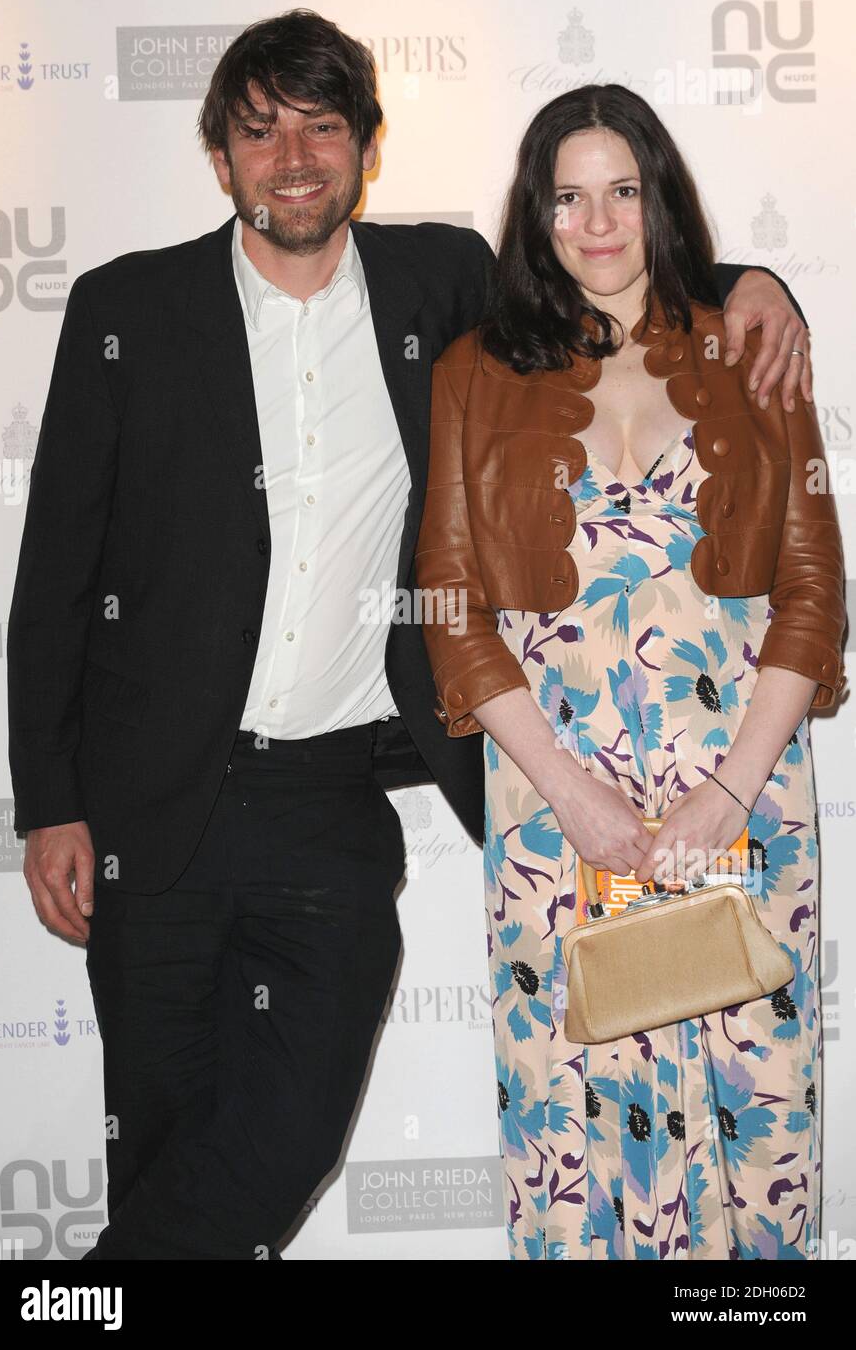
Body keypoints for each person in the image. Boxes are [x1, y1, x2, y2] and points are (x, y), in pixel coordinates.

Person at [6, 4, 814, 1259]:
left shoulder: (434, 284)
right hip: (144, 805)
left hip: (327, 804)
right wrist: (47, 796)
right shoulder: (128, 310)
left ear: (365, 150)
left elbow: (599, 260)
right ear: (219, 154)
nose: (292, 157)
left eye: (322, 127)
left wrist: (750, 283)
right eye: (259, 130)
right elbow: (55, 567)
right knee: (169, 1152)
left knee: (282, 1138)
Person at [415, 83, 846, 1261]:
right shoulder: (474, 374)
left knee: (756, 1136)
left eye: (623, 191)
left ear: (659, 201)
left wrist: (725, 796)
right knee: (576, 1141)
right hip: (562, 830)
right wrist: (575, 797)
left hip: (746, 817)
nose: (598, 223)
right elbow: (449, 611)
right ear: (536, 214)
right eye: (569, 196)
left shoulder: (750, 348)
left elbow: (814, 597)